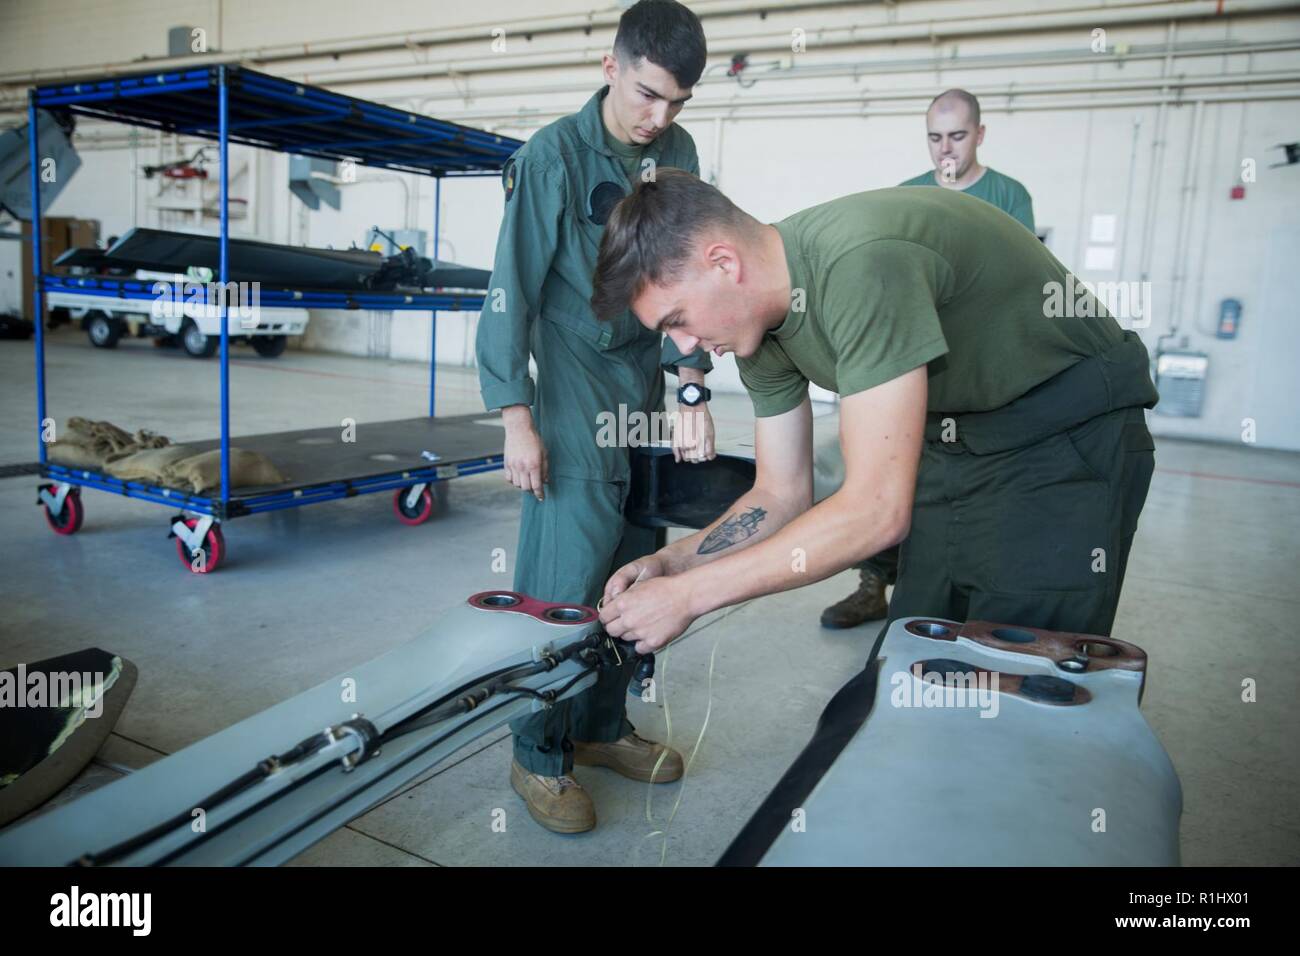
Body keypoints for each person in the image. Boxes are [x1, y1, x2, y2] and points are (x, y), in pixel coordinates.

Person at [590, 169, 1158, 657]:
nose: (683, 346)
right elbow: (779, 494)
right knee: (919, 642)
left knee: (1017, 665)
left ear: (722, 263)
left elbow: (876, 513)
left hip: (1066, 431)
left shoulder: (859, 266)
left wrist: (691, 599)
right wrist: (678, 565)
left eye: (677, 319)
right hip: (959, 434)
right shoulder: (755, 331)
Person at [476, 0, 714, 834]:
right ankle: (537, 752)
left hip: (644, 375)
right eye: (649, 94)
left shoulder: (676, 153)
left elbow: (689, 274)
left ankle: (603, 727)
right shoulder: (553, 157)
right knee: (566, 571)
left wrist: (691, 380)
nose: (661, 118)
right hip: (573, 377)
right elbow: (509, 287)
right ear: (611, 67)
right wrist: (515, 417)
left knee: (634, 559)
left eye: (677, 102)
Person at [822, 87, 1037, 630]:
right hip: (916, 358)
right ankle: (873, 585)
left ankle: (952, 600)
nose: (946, 149)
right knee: (886, 471)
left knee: (971, 486)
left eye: (958, 136)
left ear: (980, 135)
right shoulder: (907, 194)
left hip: (986, 366)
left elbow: (1023, 282)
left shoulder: (1010, 195)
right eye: (935, 137)